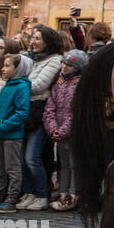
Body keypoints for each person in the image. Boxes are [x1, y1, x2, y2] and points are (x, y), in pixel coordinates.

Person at [19, 25, 64, 210]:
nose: (33, 42)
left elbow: (38, 85)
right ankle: (29, 192)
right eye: (32, 38)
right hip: (24, 108)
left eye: (37, 38)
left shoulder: (55, 60)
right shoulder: (30, 59)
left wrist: (18, 82)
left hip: (40, 111)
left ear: (48, 41)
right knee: (22, 157)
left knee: (32, 156)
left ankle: (40, 193)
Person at [0, 54, 30, 214]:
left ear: (18, 69)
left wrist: (4, 125)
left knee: (12, 167)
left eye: (8, 65)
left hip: (11, 135)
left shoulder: (21, 86)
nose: (3, 68)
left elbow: (22, 112)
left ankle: (11, 198)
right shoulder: (8, 85)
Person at [44, 49, 86, 211]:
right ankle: (63, 193)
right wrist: (52, 127)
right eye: (64, 63)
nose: (64, 67)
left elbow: (76, 111)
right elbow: (50, 107)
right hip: (59, 131)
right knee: (64, 165)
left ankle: (74, 195)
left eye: (69, 64)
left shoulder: (81, 84)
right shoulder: (59, 82)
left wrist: (62, 130)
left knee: (75, 164)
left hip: (73, 132)